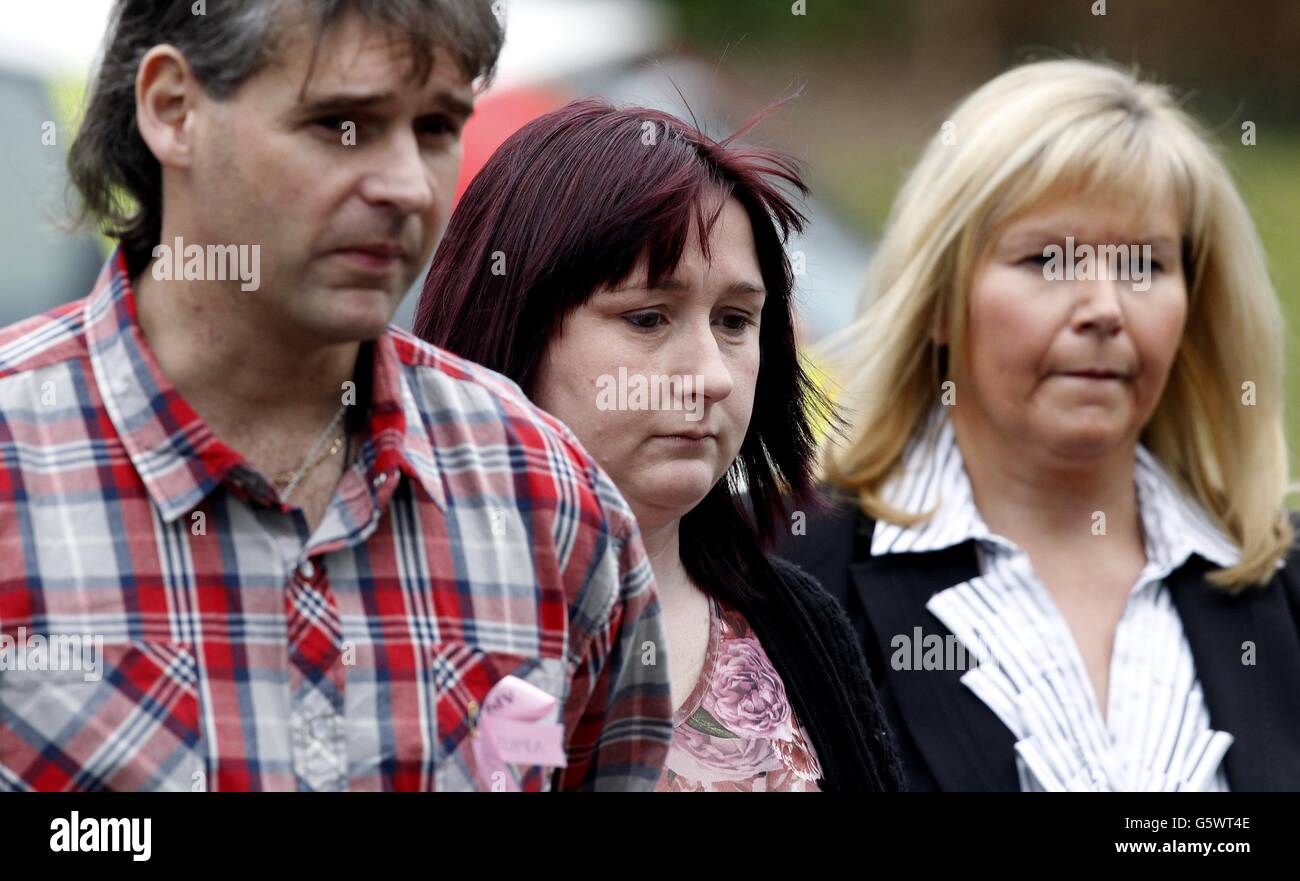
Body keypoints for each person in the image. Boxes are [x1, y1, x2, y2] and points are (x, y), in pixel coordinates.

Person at [0, 0, 671, 792]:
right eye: (339, 125)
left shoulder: (548, 499)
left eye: (435, 128)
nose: (405, 186)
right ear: (174, 110)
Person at [780, 59, 1300, 791]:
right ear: (937, 300)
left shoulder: (1276, 579)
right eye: (1048, 259)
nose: (1104, 307)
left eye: (1144, 263)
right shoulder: (789, 579)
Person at [414, 99, 903, 791]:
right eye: (647, 318)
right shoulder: (386, 617)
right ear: (513, 324)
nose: (708, 375)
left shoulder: (802, 627)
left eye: (736, 321)